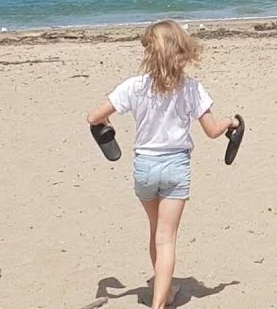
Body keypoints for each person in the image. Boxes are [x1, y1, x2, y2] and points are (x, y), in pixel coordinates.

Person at [85, 19, 240, 309]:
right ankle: (159, 304)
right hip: (175, 168)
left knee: (157, 234)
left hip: (145, 167)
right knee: (166, 239)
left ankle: (166, 294)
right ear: (181, 49)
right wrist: (231, 122)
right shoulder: (191, 88)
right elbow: (212, 130)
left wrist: (107, 126)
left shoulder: (134, 86)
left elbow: (93, 117)